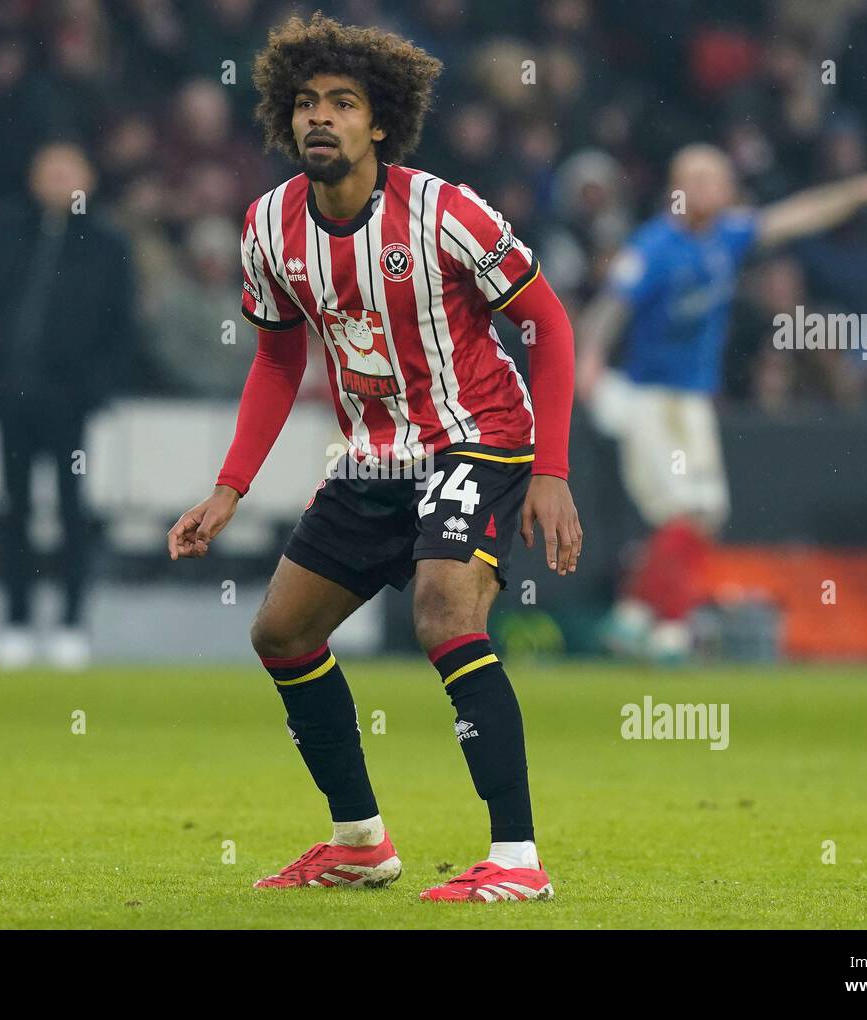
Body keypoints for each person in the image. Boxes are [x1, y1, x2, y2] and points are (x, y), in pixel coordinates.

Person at [167, 14, 580, 903]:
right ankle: (359, 842)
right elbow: (279, 359)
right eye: (308, 102)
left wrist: (552, 470)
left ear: (379, 122)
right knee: (282, 632)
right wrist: (228, 489)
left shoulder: (445, 211)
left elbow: (547, 326)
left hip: (478, 434)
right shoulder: (269, 226)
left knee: (442, 613)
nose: (322, 117)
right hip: (373, 454)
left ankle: (516, 861)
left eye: (344, 104)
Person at [577, 144, 867, 662]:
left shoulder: (726, 237)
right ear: (681, 186)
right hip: (655, 396)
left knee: (702, 514)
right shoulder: (653, 248)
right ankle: (664, 625)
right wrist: (589, 362)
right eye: (707, 180)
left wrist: (863, 190)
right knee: (688, 510)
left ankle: (636, 618)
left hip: (690, 399)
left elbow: (797, 216)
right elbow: (609, 307)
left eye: (722, 180)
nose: (720, 190)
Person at [0, 141, 134, 670]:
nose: (56, 181)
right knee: (14, 512)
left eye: (66, 171)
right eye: (47, 170)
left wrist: (97, 388)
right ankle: (14, 621)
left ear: (88, 179)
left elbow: (121, 328)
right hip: (11, 395)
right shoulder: (9, 235)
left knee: (73, 513)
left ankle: (72, 623)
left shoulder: (106, 244)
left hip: (70, 400)